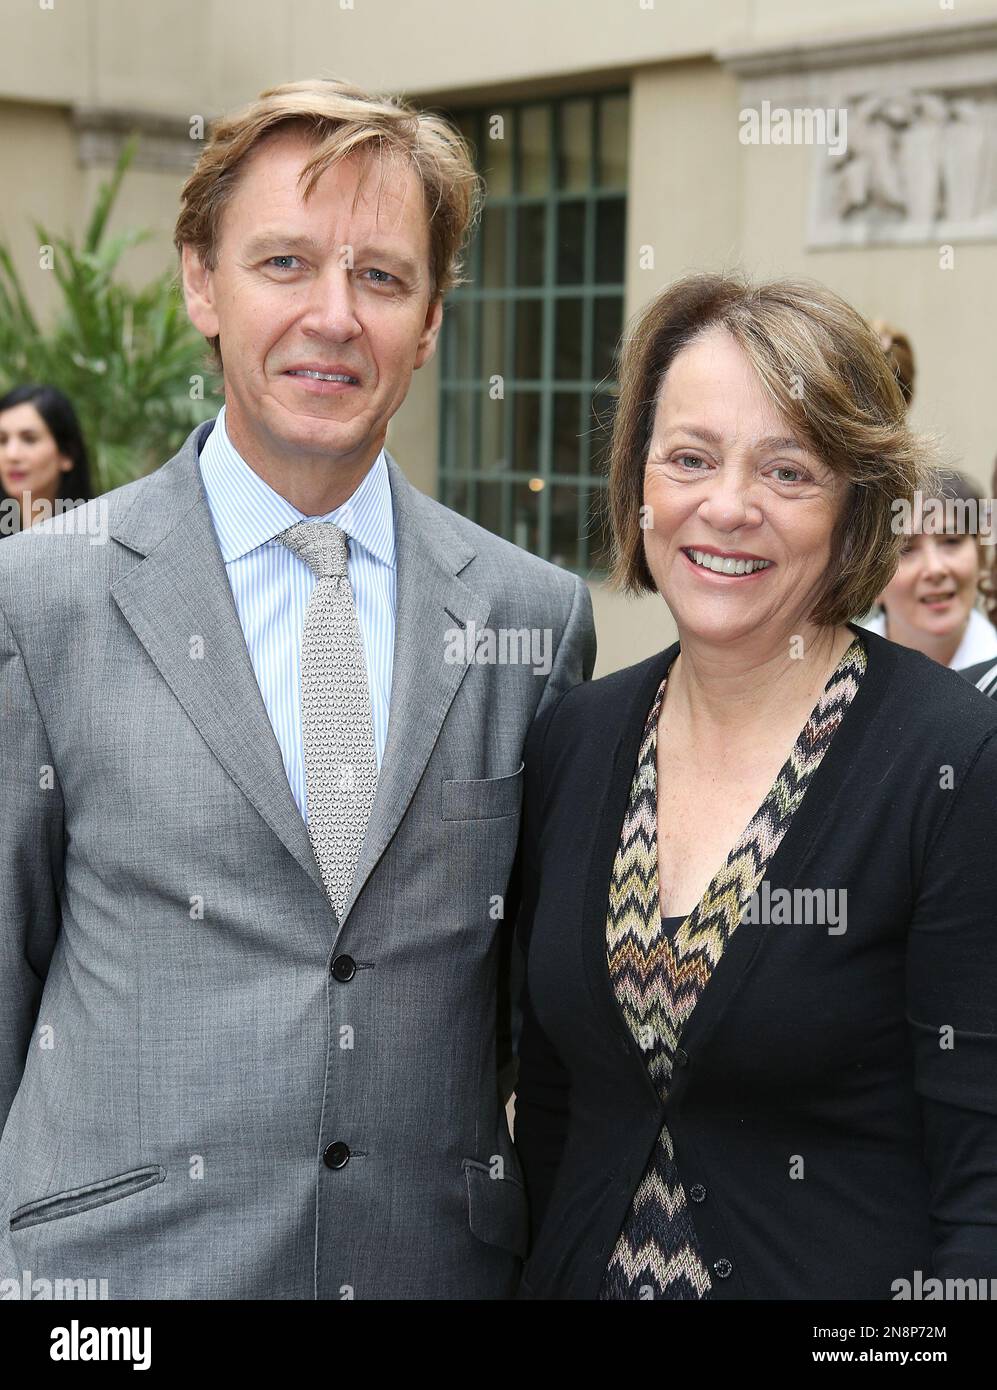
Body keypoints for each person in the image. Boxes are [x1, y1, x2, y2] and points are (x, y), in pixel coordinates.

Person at [0, 76, 595, 1300]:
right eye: (285, 263)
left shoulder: (531, 620)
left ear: (430, 320)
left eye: (381, 276)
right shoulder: (41, 597)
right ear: (201, 284)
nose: (334, 315)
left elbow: (533, 1013)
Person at [513, 273, 997, 1300]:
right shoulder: (573, 740)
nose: (725, 507)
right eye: (688, 458)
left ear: (854, 505)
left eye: (787, 471)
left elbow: (982, 1174)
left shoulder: (954, 761)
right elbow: (552, 1109)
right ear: (638, 481)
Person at [859, 468, 997, 669]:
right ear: (868, 577)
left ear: (981, 557)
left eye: (951, 541)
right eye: (906, 550)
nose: (935, 569)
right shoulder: (837, 682)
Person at [0, 383, 92, 536]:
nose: (12, 455)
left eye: (29, 439)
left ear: (66, 453)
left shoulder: (97, 534)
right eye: (2, 440)